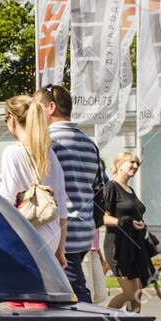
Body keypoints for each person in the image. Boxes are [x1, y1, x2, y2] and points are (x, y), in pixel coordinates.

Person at [40, 84, 107, 303]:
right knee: (68, 290)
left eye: (36, 107)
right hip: (84, 231)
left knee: (74, 294)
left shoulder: (48, 142)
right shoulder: (89, 144)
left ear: (50, 107)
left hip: (60, 232)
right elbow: (100, 186)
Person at [0, 94, 68, 264]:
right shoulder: (49, 154)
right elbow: (62, 207)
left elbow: (6, 202)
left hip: (27, 236)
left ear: (12, 119)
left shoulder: (12, 153)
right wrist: (61, 250)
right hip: (51, 236)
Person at [101, 151, 152, 313]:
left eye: (137, 164)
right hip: (118, 246)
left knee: (137, 295)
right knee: (130, 294)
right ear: (118, 165)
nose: (135, 166)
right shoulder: (110, 187)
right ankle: (102, 320)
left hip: (134, 246)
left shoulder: (129, 189)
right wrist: (124, 222)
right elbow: (102, 218)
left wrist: (139, 224)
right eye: (131, 162)